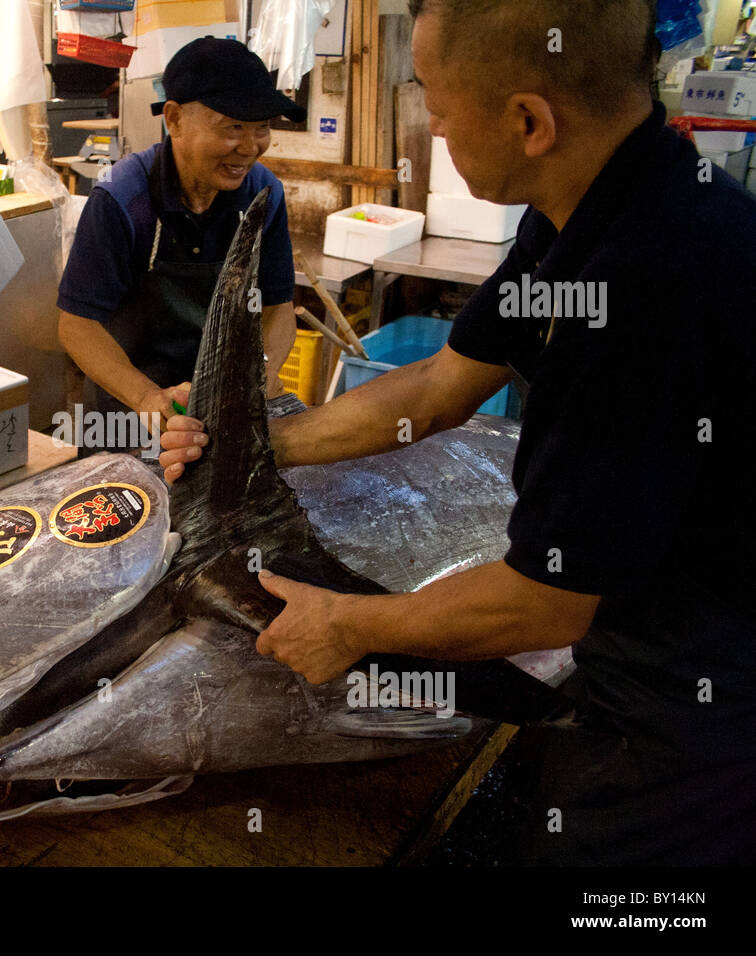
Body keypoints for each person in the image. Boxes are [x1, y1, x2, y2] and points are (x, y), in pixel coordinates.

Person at [161, 0, 756, 865]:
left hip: (702, 711)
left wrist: (355, 627)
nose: (433, 128)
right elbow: (442, 387)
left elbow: (548, 598)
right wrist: (259, 447)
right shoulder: (582, 210)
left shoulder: (646, 285)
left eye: (437, 107)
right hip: (644, 642)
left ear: (528, 121)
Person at [57, 38, 303, 442]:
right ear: (174, 120)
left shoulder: (264, 196)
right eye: (233, 127)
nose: (249, 146)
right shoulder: (122, 200)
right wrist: (147, 398)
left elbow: (278, 308)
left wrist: (256, 375)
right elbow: (77, 325)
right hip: (129, 412)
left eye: (262, 128)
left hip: (223, 410)